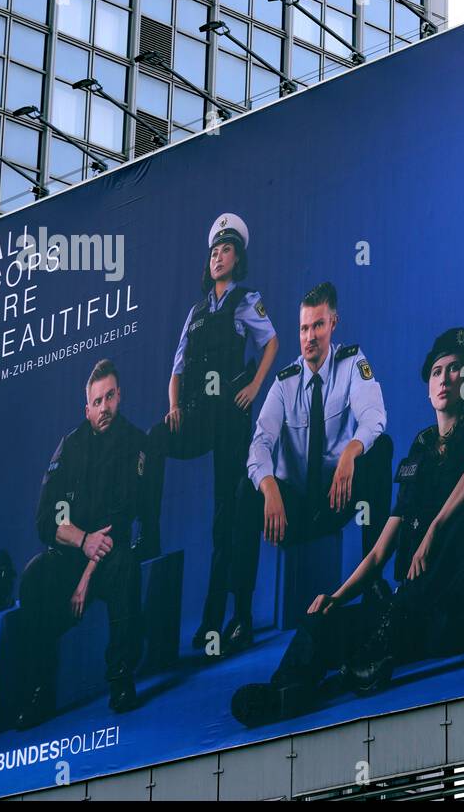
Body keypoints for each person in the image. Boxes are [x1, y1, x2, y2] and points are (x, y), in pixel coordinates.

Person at [231, 327, 464, 727]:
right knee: (326, 618)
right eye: (438, 372)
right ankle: (284, 692)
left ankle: (373, 650)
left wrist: (434, 530)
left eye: (456, 369)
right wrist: (336, 597)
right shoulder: (421, 450)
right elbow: (379, 552)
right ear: (428, 387)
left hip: (455, 612)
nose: (446, 379)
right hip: (408, 612)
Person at [228, 281, 394, 651]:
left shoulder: (352, 362)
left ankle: (374, 586)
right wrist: (268, 486)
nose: (310, 337)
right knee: (246, 488)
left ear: (333, 323)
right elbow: (260, 442)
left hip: (339, 497)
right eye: (304, 328)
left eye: (318, 325)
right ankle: (241, 616)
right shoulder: (284, 383)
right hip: (295, 511)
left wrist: (352, 450)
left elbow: (374, 416)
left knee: (380, 449)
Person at [144, 213, 279, 656]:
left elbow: (272, 342)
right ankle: (147, 533)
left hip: (231, 419)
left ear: (238, 257)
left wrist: (254, 386)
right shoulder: (196, 312)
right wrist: (174, 407)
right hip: (200, 415)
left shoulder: (245, 300)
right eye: (214, 251)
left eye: (226, 250)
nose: (218, 257)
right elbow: (176, 369)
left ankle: (226, 619)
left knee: (230, 517)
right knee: (155, 439)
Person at [15, 359, 149, 728]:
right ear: (86, 407)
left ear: (119, 397)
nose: (104, 408)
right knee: (33, 576)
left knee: (124, 566)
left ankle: (121, 678)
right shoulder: (70, 445)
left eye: (109, 398)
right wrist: (82, 540)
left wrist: (86, 577)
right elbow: (45, 520)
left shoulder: (134, 442)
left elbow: (120, 523)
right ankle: (39, 692)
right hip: (75, 550)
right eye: (97, 401)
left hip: (108, 555)